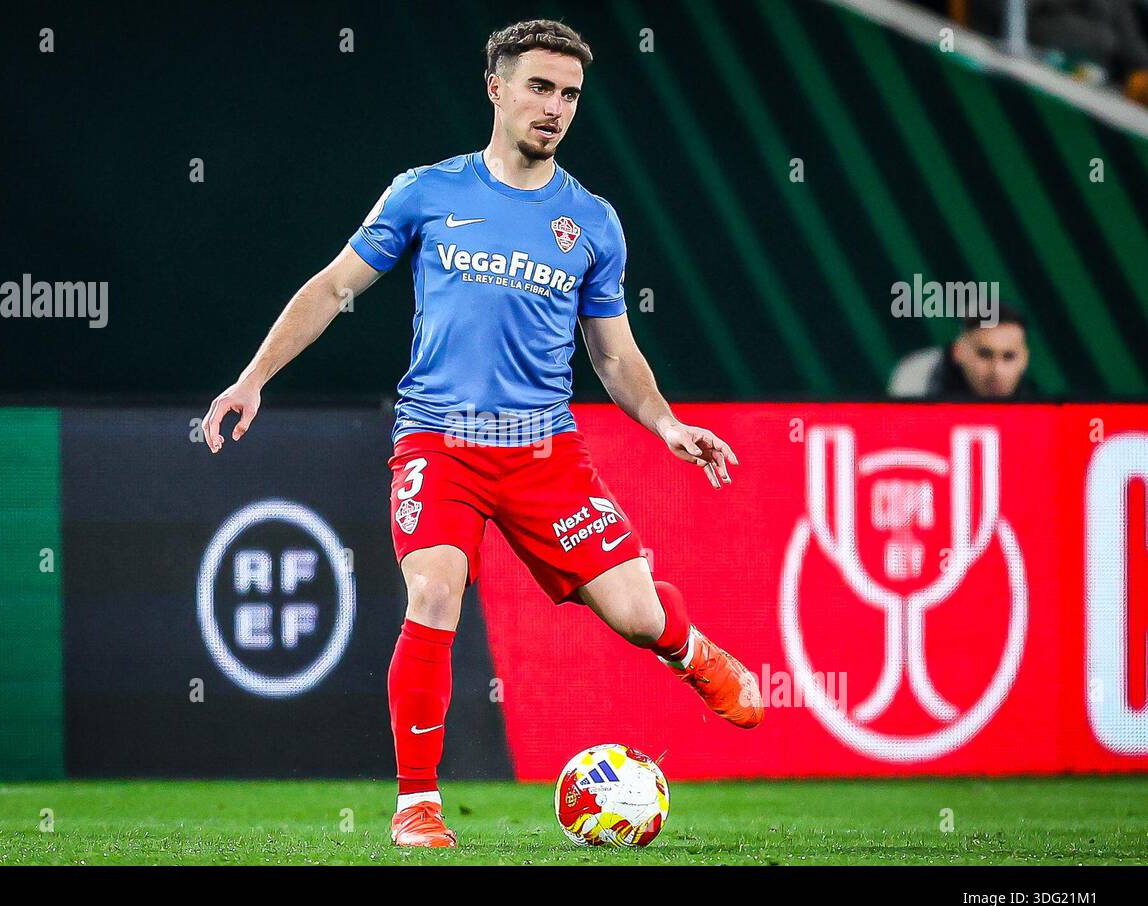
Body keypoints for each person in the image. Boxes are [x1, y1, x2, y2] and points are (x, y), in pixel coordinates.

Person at [202, 19, 762, 849]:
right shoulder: (426, 192)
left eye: (570, 94)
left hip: (545, 454)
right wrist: (252, 379)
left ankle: (692, 651)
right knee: (433, 595)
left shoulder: (593, 223)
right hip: (440, 440)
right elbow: (330, 289)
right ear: (495, 88)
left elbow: (613, 355)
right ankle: (416, 804)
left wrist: (665, 421)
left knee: (640, 618)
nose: (556, 107)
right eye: (540, 87)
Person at [888, 306, 1033, 399]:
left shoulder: (1041, 413)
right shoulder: (918, 378)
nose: (997, 370)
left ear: (1024, 359)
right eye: (984, 354)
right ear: (958, 352)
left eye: (1008, 356)